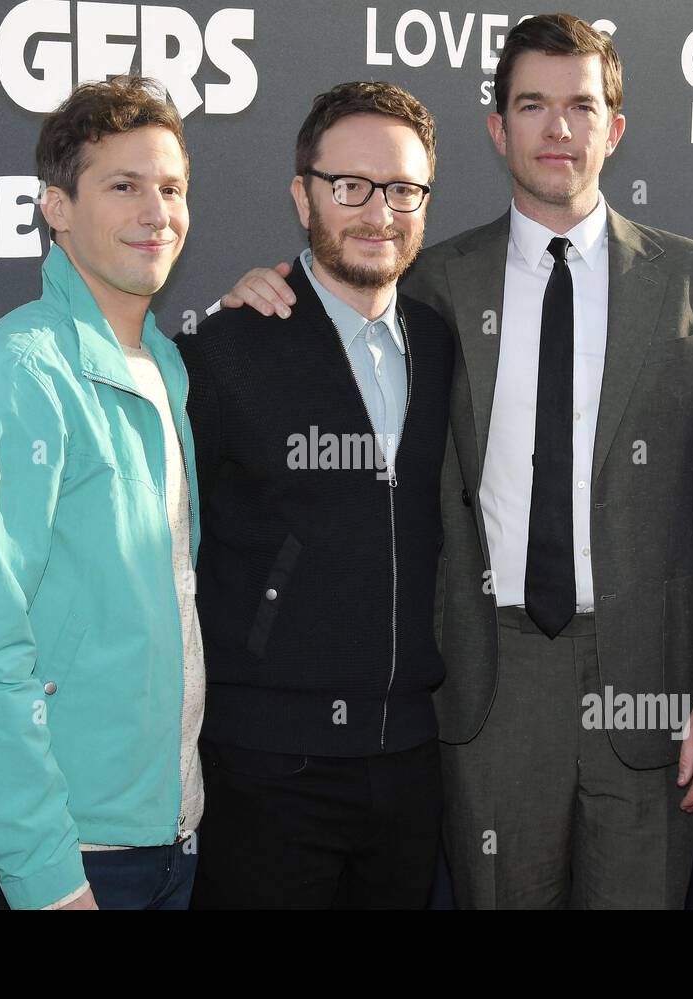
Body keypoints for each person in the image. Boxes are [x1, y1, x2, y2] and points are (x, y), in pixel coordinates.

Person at [221, 13, 693, 908]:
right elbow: (331, 299)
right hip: (490, 681)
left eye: (580, 106)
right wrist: (256, 292)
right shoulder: (430, 279)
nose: (558, 128)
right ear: (497, 129)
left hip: (653, 686)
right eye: (532, 105)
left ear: (614, 129)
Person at [0, 75, 204, 910]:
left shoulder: (164, 367)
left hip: (161, 840)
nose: (157, 211)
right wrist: (49, 878)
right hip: (50, 862)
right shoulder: (14, 380)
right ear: (56, 208)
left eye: (171, 187)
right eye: (124, 185)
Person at [177, 82, 454, 908]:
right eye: (350, 186)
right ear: (304, 196)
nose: (379, 211)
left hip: (407, 757)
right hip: (267, 764)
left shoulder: (441, 344)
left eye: (403, 189)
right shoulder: (230, 349)